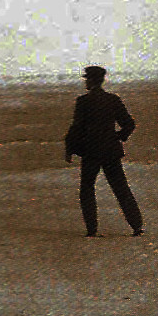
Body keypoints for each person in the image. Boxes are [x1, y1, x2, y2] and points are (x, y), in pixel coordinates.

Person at [64, 65, 144, 237]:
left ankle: (91, 230)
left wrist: (69, 148)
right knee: (121, 189)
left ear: (91, 80)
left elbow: (76, 128)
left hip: (90, 152)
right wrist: (118, 137)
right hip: (110, 151)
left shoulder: (83, 102)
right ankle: (136, 226)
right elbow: (129, 124)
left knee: (87, 190)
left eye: (86, 78)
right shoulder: (113, 100)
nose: (85, 81)